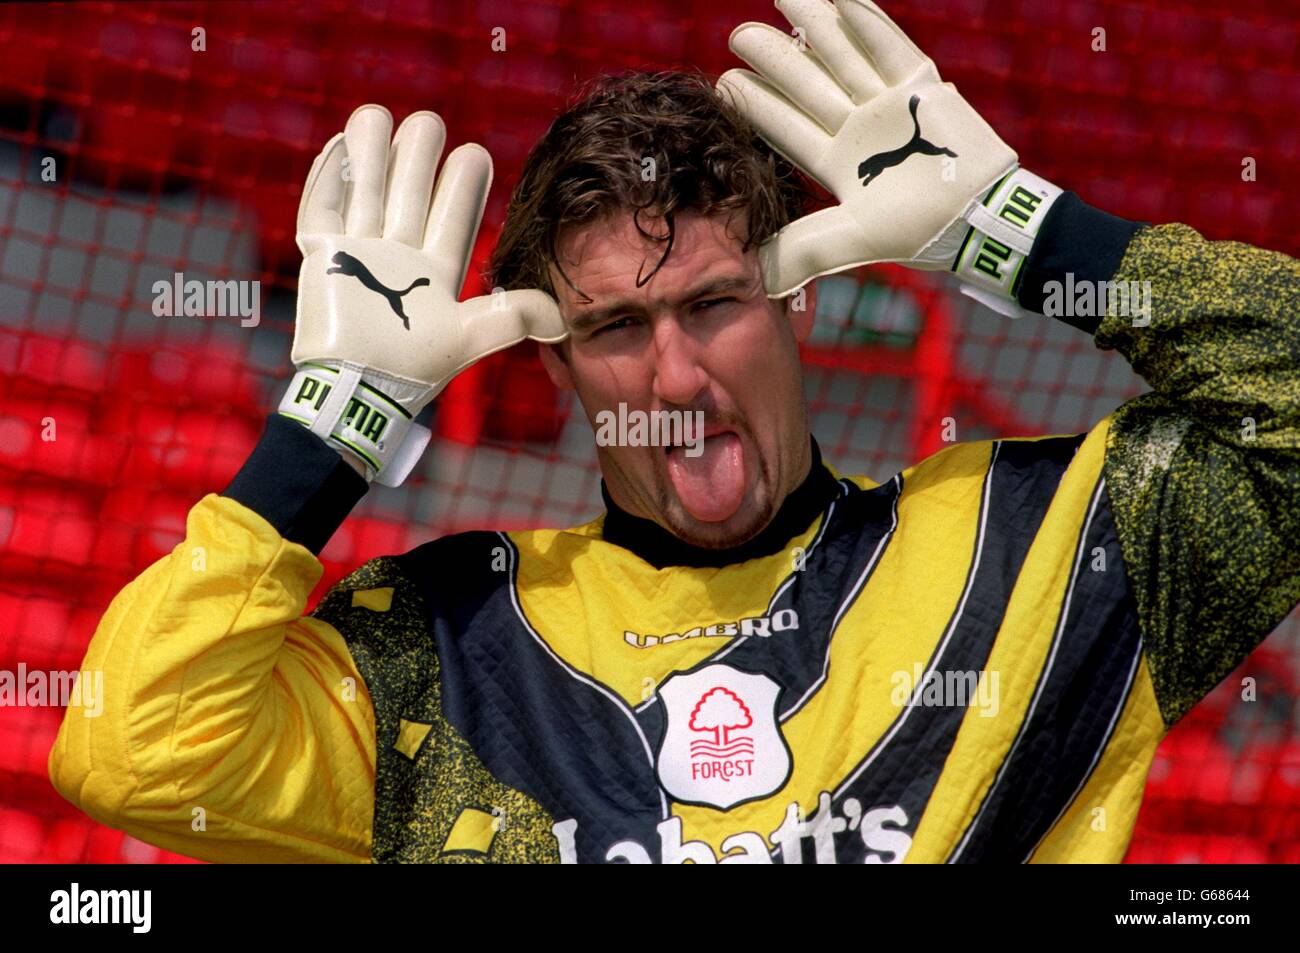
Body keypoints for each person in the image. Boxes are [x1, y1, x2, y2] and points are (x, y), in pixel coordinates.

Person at [49, 0, 1300, 863]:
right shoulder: (449, 643)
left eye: (714, 304)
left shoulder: (1039, 551)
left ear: (798, 300)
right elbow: (135, 751)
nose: (677, 371)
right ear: (555, 365)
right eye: (615, 329)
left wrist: (1032, 234)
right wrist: (330, 427)